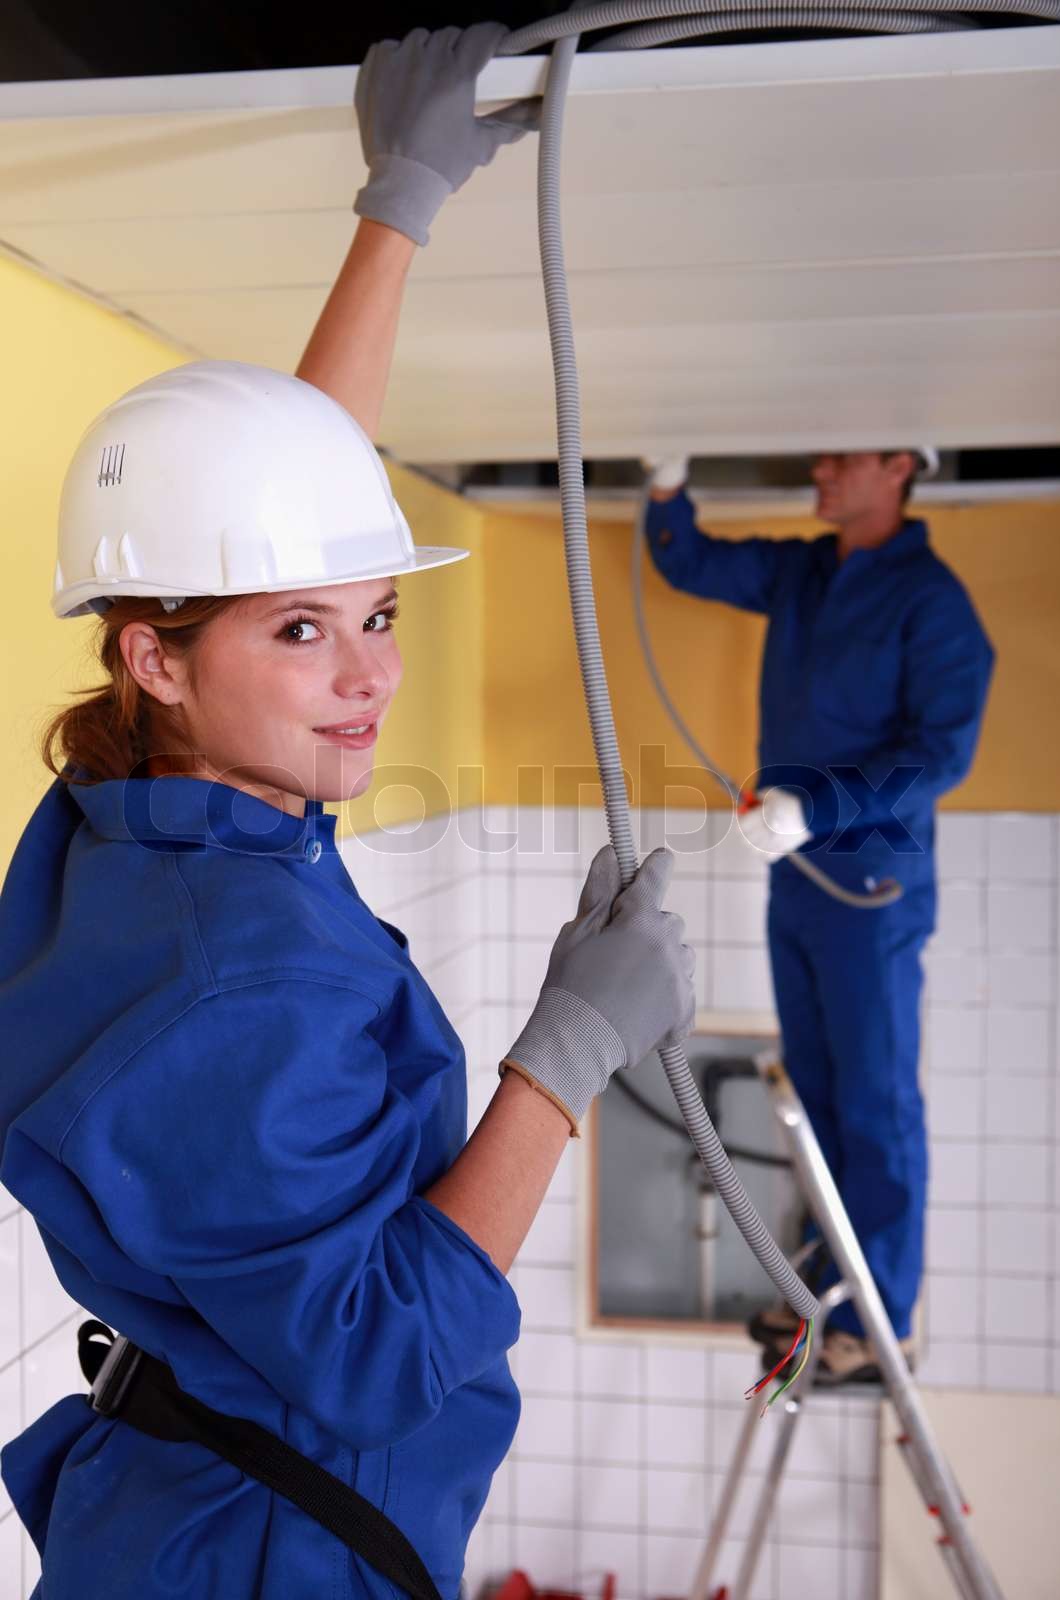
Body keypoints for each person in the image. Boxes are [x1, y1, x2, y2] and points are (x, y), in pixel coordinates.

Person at [0, 27, 696, 1598]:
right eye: (306, 639)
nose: (366, 675)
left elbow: (277, 530)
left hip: (207, 1496)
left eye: (375, 616)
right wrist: (560, 1057)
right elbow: (381, 1355)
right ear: (154, 657)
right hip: (277, 1545)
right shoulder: (239, 960)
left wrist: (401, 199)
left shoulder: (138, 813)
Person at [643, 449, 995, 1382]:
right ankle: (833, 1283)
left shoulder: (931, 601)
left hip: (868, 886)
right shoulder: (805, 571)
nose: (819, 468)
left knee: (874, 1099)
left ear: (898, 467)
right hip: (798, 876)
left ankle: (882, 1314)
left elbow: (941, 756)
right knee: (815, 1096)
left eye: (843, 457)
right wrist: (666, 487)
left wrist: (819, 809)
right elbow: (690, 564)